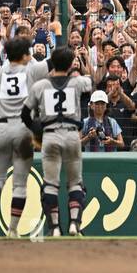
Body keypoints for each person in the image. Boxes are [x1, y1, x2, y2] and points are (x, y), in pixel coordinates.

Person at [0, 38, 48, 237]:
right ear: (26, 55)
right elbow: (58, 60)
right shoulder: (32, 70)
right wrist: (58, 34)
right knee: (19, 184)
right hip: (24, 130)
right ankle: (13, 229)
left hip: (1, 127)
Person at [26, 45, 93, 238]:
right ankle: (74, 224)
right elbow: (91, 83)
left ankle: (54, 227)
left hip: (50, 134)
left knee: (50, 184)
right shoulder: (77, 82)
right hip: (72, 134)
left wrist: (36, 131)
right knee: (75, 183)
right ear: (70, 63)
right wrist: (78, 68)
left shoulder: (41, 85)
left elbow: (25, 113)